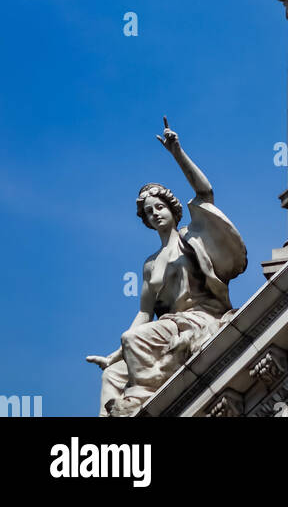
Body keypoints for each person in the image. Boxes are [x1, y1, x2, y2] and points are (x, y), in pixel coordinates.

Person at [86, 118, 247, 417]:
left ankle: (140, 396)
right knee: (112, 375)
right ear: (145, 221)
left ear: (172, 209)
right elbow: (144, 314)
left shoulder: (191, 238)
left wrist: (177, 153)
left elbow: (205, 192)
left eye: (159, 207)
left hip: (199, 319)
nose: (155, 214)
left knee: (133, 340)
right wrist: (114, 356)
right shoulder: (149, 265)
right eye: (149, 212)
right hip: (164, 328)